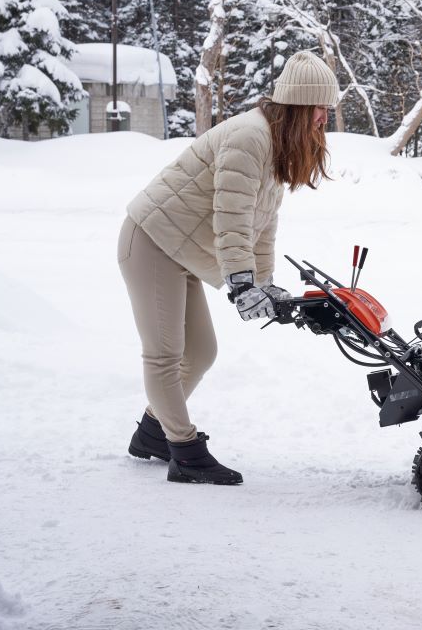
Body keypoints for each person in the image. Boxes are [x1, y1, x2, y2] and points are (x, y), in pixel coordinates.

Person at [117, 51, 340, 485]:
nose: (324, 119)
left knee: (201, 353)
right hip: (151, 240)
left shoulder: (276, 142)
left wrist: (264, 282)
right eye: (320, 109)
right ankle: (185, 452)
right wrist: (240, 283)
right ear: (300, 105)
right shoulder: (249, 137)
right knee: (165, 355)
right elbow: (232, 216)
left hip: (178, 250)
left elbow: (264, 220)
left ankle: (151, 433)